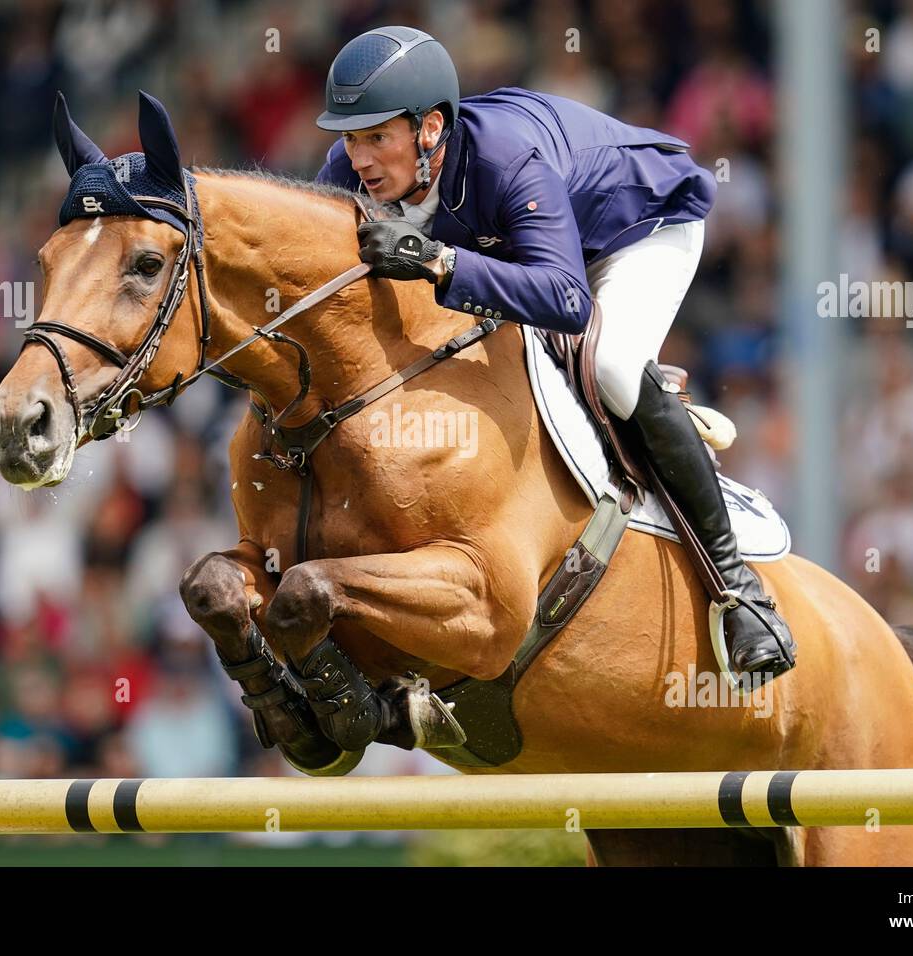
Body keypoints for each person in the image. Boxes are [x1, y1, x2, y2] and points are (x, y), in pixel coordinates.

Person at [299, 25, 796, 750]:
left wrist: (438, 263)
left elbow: (566, 297)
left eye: (377, 137)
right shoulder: (347, 175)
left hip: (633, 233)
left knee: (613, 368)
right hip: (529, 256)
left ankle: (738, 591)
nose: (360, 158)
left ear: (431, 127)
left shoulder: (502, 159)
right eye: (351, 139)